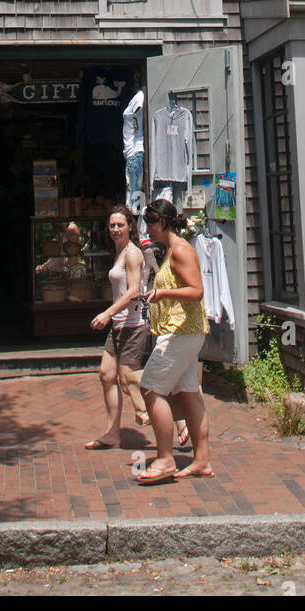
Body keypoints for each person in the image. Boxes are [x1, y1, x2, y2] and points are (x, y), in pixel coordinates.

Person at [134, 199, 213, 483]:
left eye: (151, 224)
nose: (148, 230)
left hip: (182, 333)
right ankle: (201, 460)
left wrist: (163, 294)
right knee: (190, 392)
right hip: (183, 332)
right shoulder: (171, 250)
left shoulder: (180, 250)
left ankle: (165, 458)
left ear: (163, 222)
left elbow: (197, 291)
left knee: (151, 387)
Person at [84, 206, 151, 449]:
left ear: (130, 226)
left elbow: (134, 291)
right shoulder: (119, 251)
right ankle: (112, 432)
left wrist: (107, 312)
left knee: (129, 382)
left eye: (120, 225)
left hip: (133, 325)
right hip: (118, 325)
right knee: (106, 374)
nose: (115, 229)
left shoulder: (132, 253)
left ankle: (178, 419)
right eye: (112, 225)